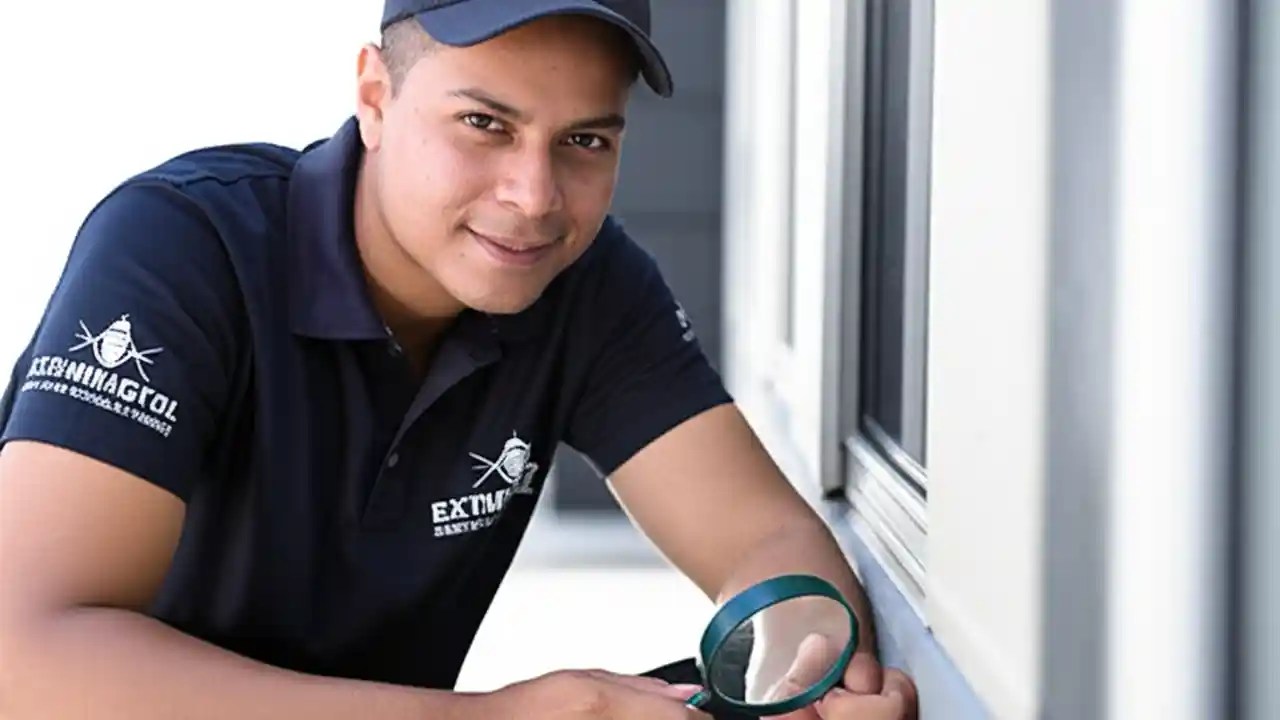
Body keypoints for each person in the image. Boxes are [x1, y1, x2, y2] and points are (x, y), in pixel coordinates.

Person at [0, 1, 917, 718]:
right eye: (485, 124)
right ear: (375, 98)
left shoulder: (586, 284)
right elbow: (26, 665)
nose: (533, 196)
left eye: (585, 141)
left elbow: (767, 542)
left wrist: (807, 679)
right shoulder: (185, 244)